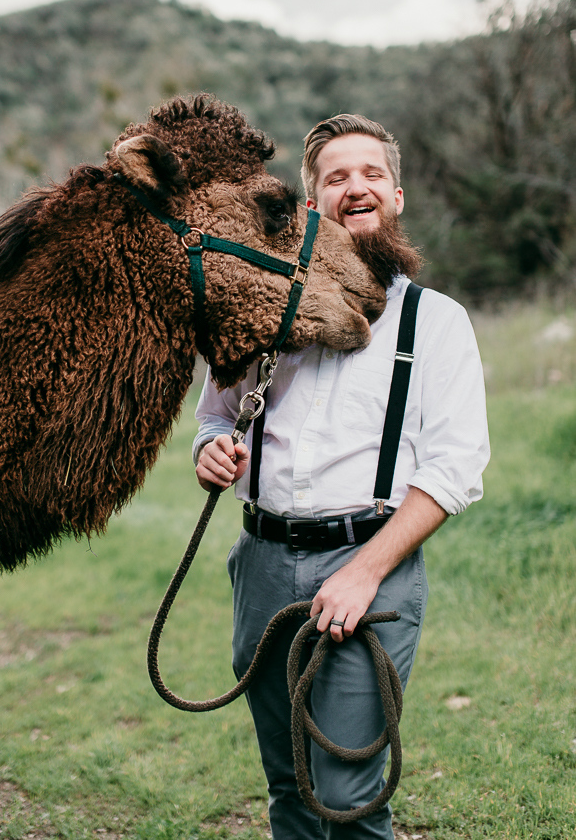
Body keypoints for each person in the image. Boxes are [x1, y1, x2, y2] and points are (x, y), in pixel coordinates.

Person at [193, 113, 489, 839]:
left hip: (372, 567)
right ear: (310, 203)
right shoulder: (263, 311)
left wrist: (363, 571)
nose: (355, 188)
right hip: (261, 565)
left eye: (370, 174)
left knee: (351, 794)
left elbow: (454, 471)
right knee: (289, 785)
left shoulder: (436, 324)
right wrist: (211, 452)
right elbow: (215, 416)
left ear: (396, 194)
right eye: (336, 178)